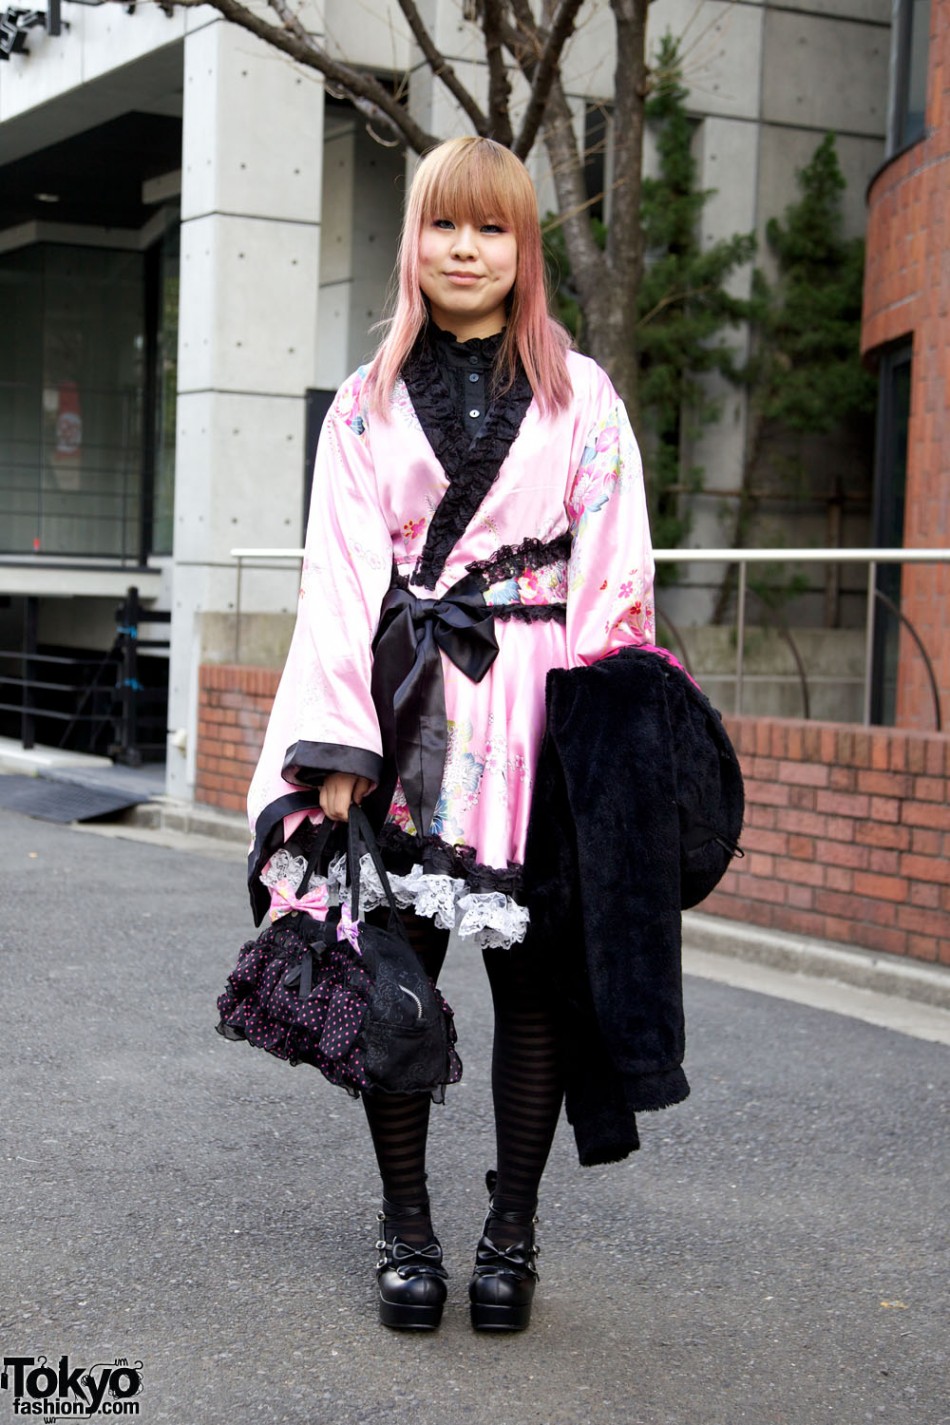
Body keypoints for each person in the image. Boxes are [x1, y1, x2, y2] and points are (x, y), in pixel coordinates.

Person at [245, 136, 656, 1333]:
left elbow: (615, 574)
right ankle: (407, 1231)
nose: (463, 249)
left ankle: (511, 1234)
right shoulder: (363, 407)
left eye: (489, 229)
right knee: (396, 985)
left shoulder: (581, 396)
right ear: (411, 243)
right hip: (402, 710)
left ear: (520, 248)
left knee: (534, 992)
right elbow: (336, 580)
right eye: (442, 226)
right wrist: (333, 750)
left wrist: (605, 742)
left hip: (535, 718)